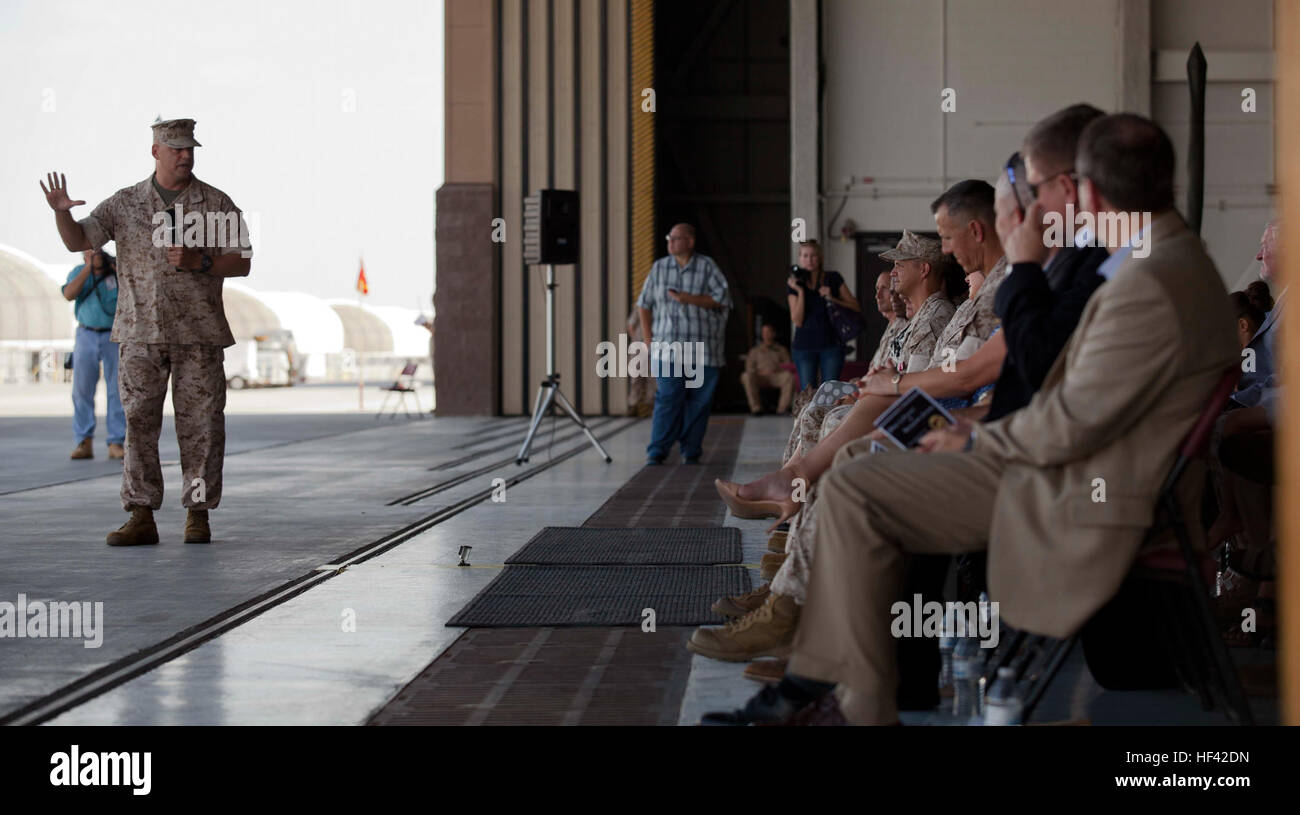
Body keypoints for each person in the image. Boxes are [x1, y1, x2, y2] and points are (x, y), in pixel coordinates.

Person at [703, 113, 1239, 726]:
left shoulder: (1147, 278)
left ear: (1082, 190)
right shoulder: (1165, 260)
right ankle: (843, 690)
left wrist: (979, 433)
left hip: (1078, 497)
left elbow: (1068, 421)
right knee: (866, 470)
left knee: (859, 483)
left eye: (1037, 190)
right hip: (1084, 475)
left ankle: (842, 695)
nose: (1033, 205)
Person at [40, 118, 252, 546]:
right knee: (138, 424)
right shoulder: (125, 203)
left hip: (199, 334)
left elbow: (242, 261)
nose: (185, 155)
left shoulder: (217, 204)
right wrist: (64, 214)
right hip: (140, 334)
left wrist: (202, 262)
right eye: (175, 148)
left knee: (203, 428)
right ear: (155, 151)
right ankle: (141, 515)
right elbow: (77, 239)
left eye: (190, 148)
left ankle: (197, 515)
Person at [636, 223, 732, 465]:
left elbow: (723, 300)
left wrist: (688, 299)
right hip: (666, 348)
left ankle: (691, 450)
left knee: (698, 401)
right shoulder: (659, 268)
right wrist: (648, 340)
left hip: (704, 350)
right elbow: (643, 304)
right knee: (668, 397)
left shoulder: (707, 266)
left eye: (676, 238)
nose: (670, 242)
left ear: (690, 241)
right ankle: (657, 450)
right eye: (669, 237)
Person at [62, 248, 125, 461]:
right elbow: (69, 294)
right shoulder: (78, 272)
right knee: (81, 390)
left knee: (117, 389)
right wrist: (88, 268)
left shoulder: (115, 274)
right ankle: (83, 441)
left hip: (113, 336)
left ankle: (116, 442)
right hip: (86, 334)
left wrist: (116, 268)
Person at [786, 240, 859, 389]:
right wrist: (800, 292)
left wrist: (832, 298)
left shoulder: (832, 278)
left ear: (820, 258)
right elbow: (797, 320)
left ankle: (829, 414)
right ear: (800, 259)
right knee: (807, 393)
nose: (809, 260)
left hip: (831, 344)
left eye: (813, 256)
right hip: (804, 345)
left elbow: (855, 306)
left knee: (830, 392)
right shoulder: (795, 284)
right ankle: (808, 414)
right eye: (805, 256)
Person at [741, 322, 794, 415]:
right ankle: (756, 408)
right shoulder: (755, 350)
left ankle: (782, 409)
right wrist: (758, 371)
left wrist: (777, 370)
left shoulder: (781, 350)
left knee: (789, 376)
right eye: (764, 332)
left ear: (774, 334)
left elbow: (788, 366)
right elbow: (749, 367)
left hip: (776, 376)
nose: (766, 334)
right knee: (746, 376)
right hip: (760, 376)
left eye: (768, 332)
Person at [625, 307, 655, 417]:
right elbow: (631, 325)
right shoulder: (640, 307)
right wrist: (636, 340)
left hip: (654, 345)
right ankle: (634, 405)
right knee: (636, 376)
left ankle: (651, 404)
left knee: (653, 377)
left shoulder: (658, 306)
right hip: (640, 344)